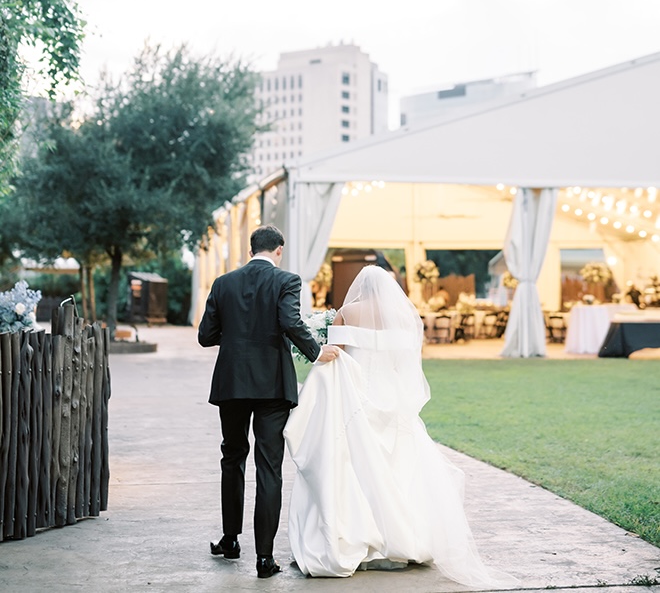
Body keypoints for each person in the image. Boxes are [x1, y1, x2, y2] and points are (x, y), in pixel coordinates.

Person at [284, 265, 514, 585]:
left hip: (356, 400)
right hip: (391, 398)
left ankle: (359, 536)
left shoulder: (347, 314)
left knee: (354, 467)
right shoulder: (404, 320)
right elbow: (400, 364)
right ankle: (405, 538)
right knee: (399, 467)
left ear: (359, 288)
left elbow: (338, 357)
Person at [198, 224, 339, 579]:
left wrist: (237, 338)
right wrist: (316, 351)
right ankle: (264, 558)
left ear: (251, 251)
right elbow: (289, 321)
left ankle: (230, 541)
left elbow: (205, 336)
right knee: (268, 467)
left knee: (232, 458)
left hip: (231, 381)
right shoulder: (287, 280)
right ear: (279, 250)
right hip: (272, 386)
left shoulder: (222, 283)